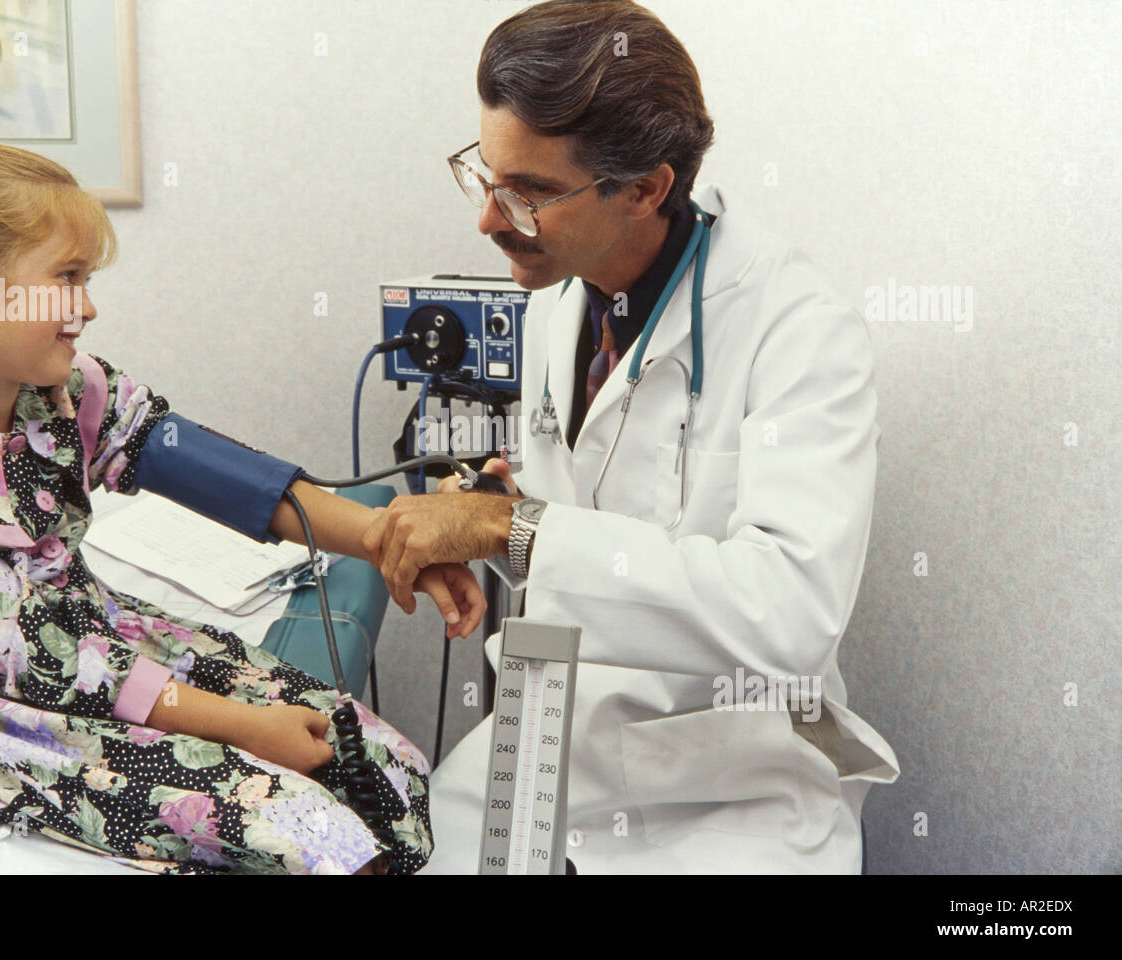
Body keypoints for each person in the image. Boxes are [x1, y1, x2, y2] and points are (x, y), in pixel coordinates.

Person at [0, 107, 485, 875]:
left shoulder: (59, 395)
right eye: (67, 278)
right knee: (315, 835)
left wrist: (382, 538)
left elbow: (200, 465)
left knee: (381, 758)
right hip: (5, 709)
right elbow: (44, 660)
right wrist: (242, 726)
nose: (89, 306)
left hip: (110, 644)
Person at [363, 0, 901, 873]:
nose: (491, 222)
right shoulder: (559, 300)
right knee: (398, 851)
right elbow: (590, 518)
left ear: (647, 188)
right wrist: (501, 520)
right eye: (487, 178)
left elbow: (792, 612)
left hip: (730, 774)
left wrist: (516, 530)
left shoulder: (797, 327)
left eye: (529, 194)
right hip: (558, 735)